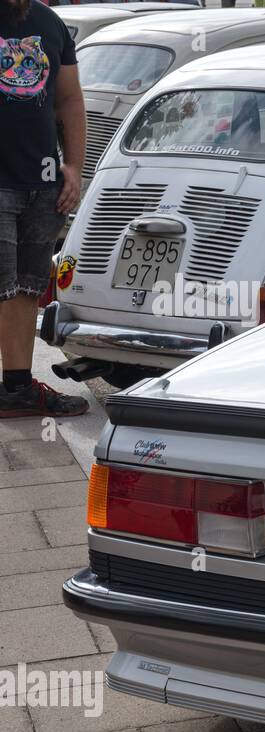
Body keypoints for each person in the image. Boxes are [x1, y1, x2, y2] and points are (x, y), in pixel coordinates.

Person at [0, 0, 88, 419]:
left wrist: (73, 166)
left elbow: (69, 99)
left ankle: (16, 388)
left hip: (41, 182)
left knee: (24, 287)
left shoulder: (48, 22)